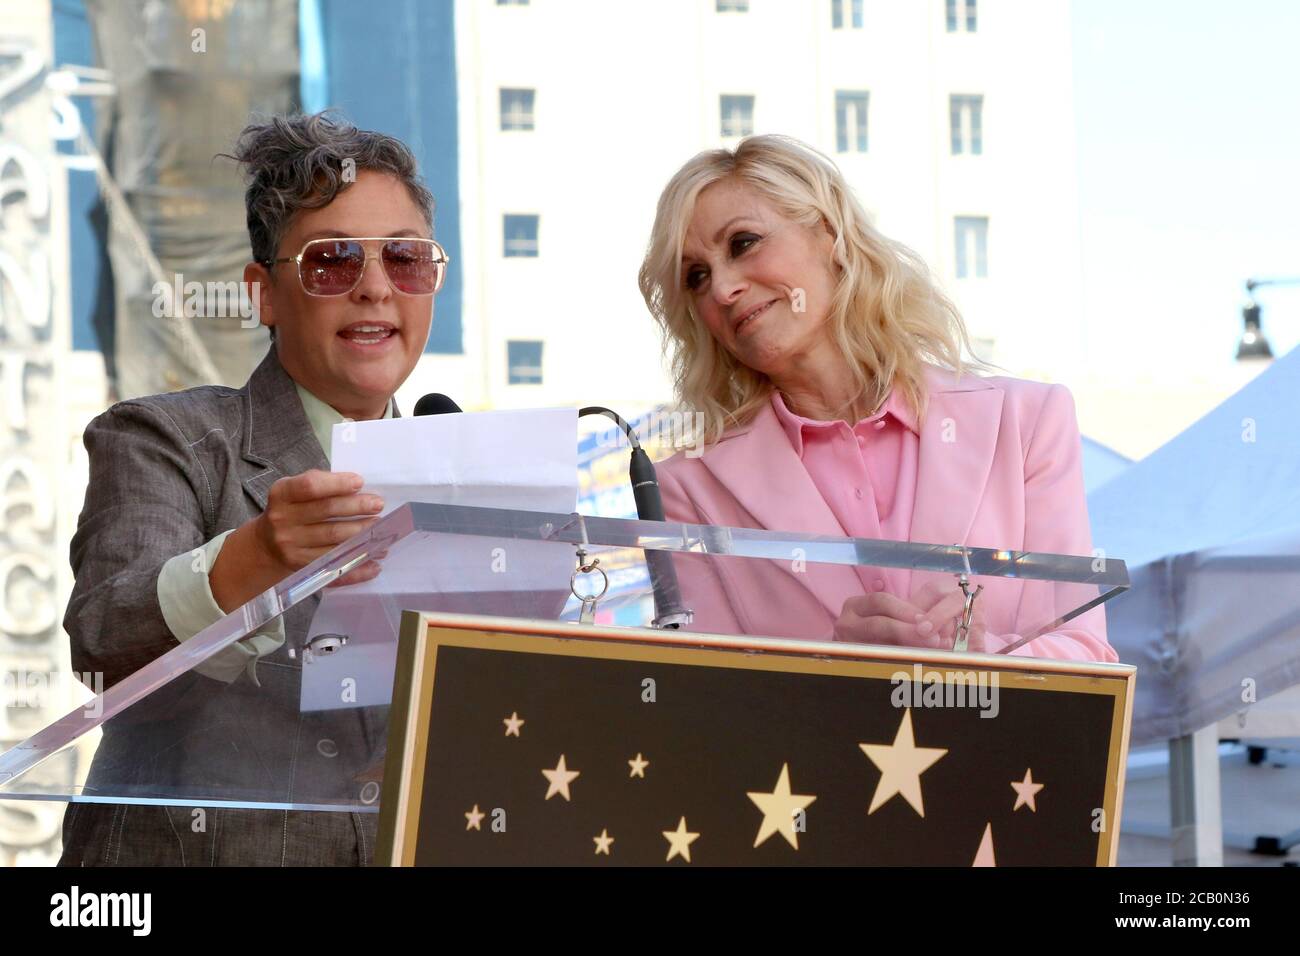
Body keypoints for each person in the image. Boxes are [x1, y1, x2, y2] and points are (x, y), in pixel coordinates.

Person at [58, 111, 449, 865]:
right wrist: (255, 557)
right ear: (263, 294)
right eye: (333, 262)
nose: (374, 288)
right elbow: (102, 645)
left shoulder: (470, 471)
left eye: (405, 259)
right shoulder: (163, 438)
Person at [638, 134, 1116, 664]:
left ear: (829, 234)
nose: (723, 289)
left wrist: (979, 652)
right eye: (696, 277)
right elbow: (712, 696)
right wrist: (839, 664)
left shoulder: (1025, 422)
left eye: (743, 243)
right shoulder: (686, 492)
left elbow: (1086, 655)